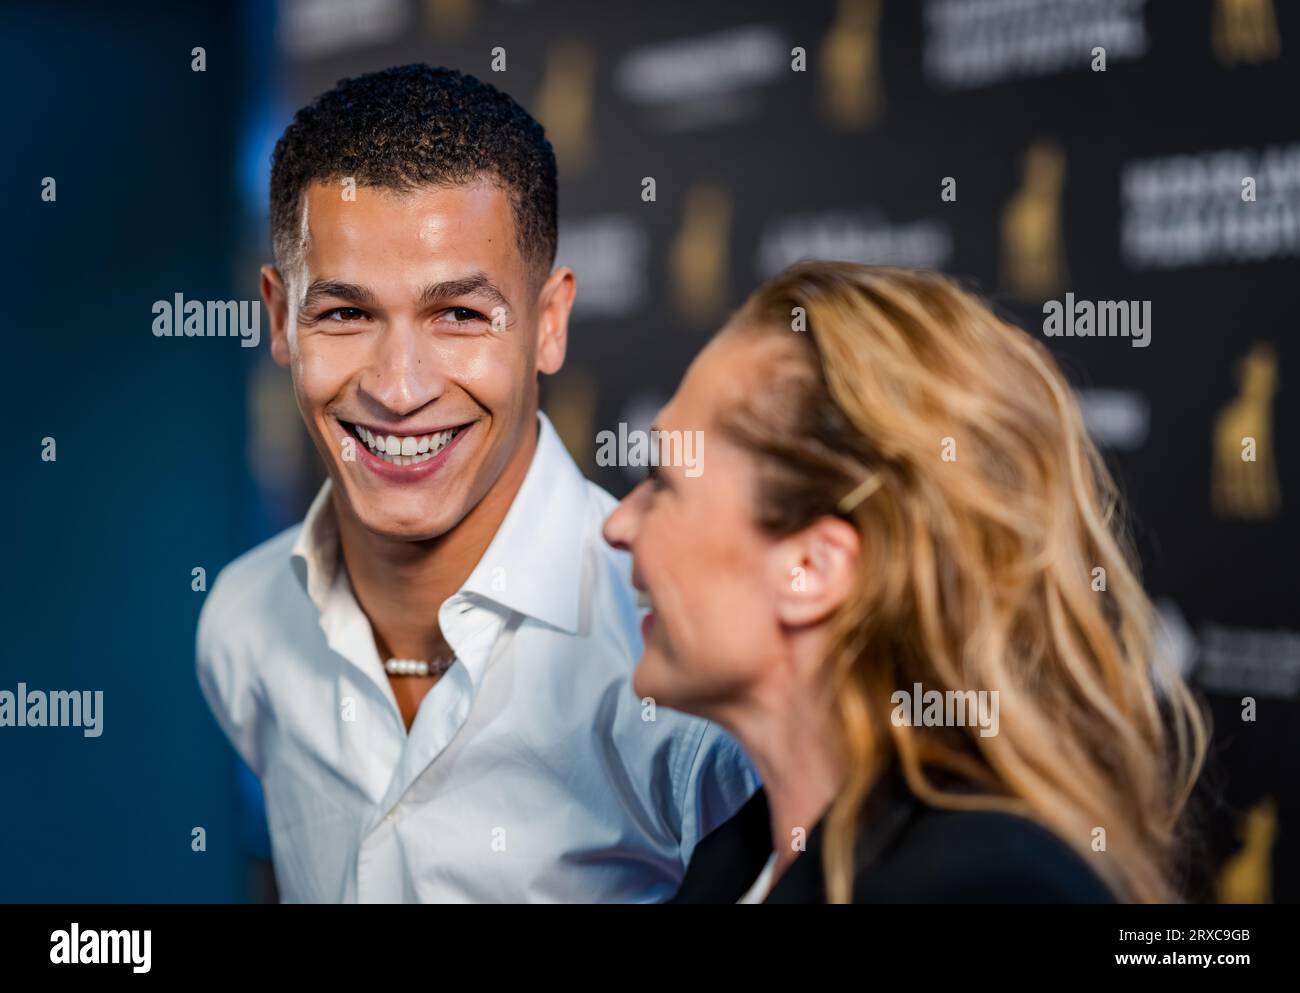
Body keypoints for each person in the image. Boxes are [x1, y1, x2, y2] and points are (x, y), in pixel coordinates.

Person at [195, 64, 757, 903]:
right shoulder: (242, 624)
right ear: (280, 320)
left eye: (459, 314)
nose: (398, 385)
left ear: (549, 322)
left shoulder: (683, 668)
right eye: (344, 312)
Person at [603, 261, 1208, 903]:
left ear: (813, 569)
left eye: (665, 483)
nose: (619, 523)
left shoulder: (988, 889)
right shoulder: (735, 858)